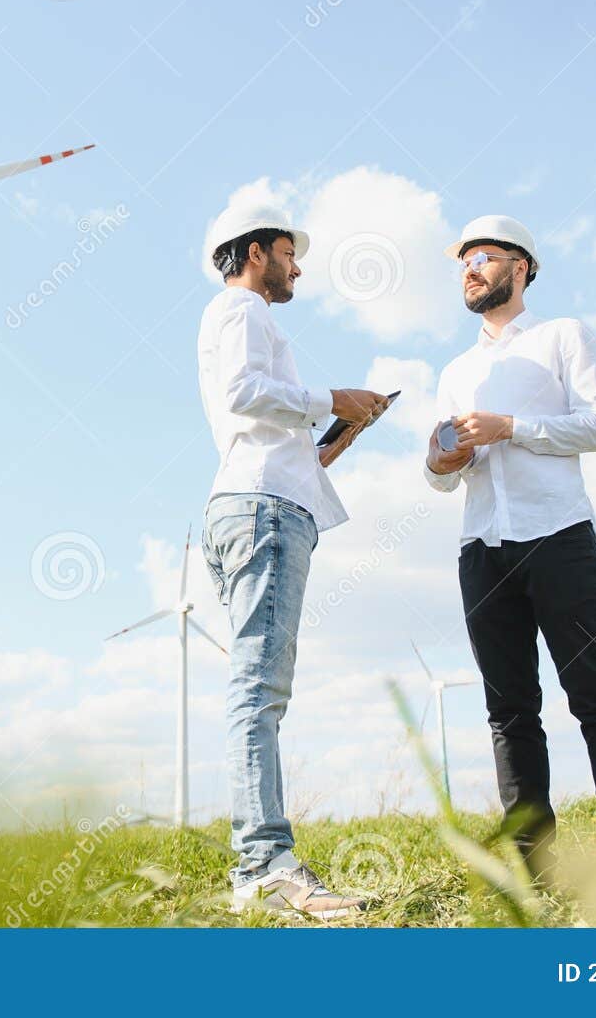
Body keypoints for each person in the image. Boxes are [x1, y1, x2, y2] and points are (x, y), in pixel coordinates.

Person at [423, 214, 596, 876]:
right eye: (463, 261)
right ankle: (534, 878)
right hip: (481, 547)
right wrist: (441, 462)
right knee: (509, 713)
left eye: (483, 257)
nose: (470, 269)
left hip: (559, 538)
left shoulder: (564, 336)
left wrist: (510, 426)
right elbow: (443, 474)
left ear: (520, 266)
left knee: (595, 698)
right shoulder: (455, 370)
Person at [196, 202, 388, 918]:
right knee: (259, 687)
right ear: (254, 252)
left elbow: (261, 423)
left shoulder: (243, 318)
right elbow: (247, 393)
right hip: (262, 508)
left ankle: (262, 862)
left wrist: (336, 432)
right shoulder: (243, 310)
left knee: (259, 683)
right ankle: (266, 866)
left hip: (263, 499)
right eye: (288, 250)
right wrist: (329, 396)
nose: (298, 265)